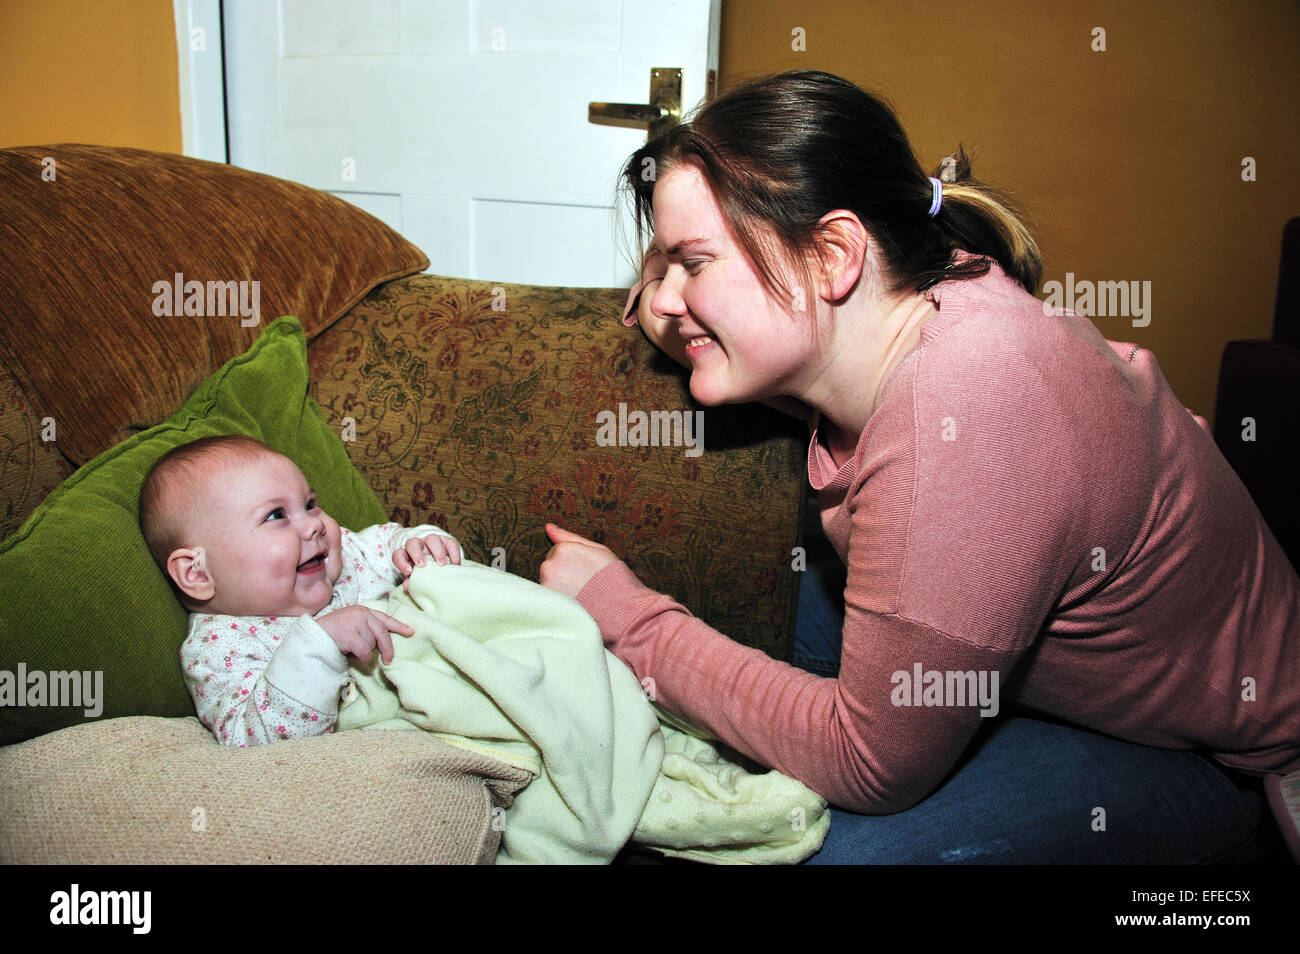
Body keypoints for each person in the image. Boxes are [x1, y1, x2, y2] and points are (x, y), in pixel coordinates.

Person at [539, 69, 1300, 863]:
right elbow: (696, 321)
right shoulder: (908, 294)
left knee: (835, 854)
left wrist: (631, 620)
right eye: (663, 266)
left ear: (834, 254)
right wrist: (678, 279)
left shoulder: (969, 404)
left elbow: (868, 766)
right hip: (1035, 664)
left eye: (694, 263)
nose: (660, 301)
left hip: (1208, 749)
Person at [138, 434, 460, 745]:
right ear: (198, 572)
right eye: (276, 515)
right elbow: (255, 742)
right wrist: (321, 645)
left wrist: (418, 544)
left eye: (309, 504)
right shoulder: (219, 647)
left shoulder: (340, 557)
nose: (314, 524)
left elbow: (388, 543)